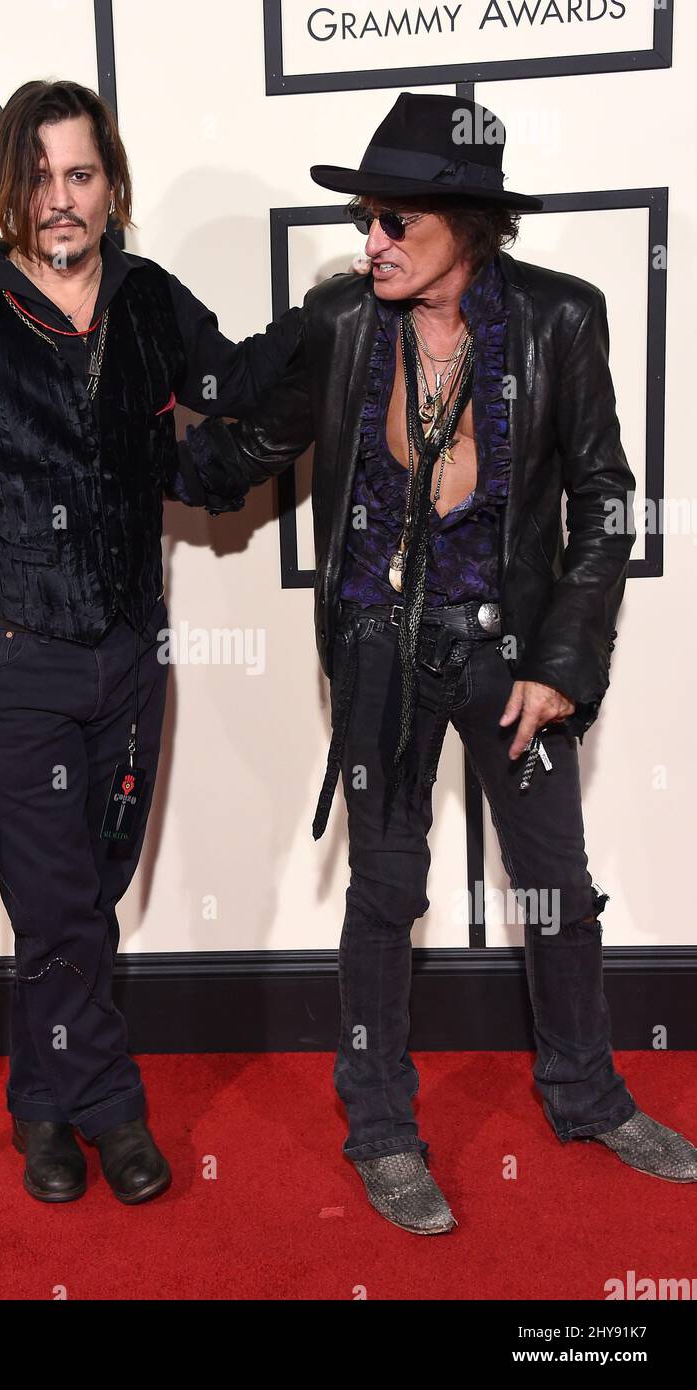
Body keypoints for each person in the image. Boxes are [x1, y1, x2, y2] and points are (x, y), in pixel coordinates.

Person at [179, 92, 697, 1234]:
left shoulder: (563, 321)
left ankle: (585, 1090)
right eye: (366, 219)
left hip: (507, 651)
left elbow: (604, 500)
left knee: (554, 886)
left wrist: (559, 663)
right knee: (385, 891)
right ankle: (379, 1126)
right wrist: (115, 437)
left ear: (466, 223)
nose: (370, 241)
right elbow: (240, 454)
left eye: (394, 223)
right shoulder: (340, 324)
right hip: (378, 646)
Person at [0, 78, 301, 1206]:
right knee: (53, 899)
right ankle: (111, 1105)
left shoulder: (148, 301)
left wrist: (332, 323)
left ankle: (40, 1107)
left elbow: (229, 383)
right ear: (9, 186)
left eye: (81, 174)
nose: (61, 199)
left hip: (127, 656)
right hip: (8, 659)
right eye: (40, 175)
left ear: (111, 187)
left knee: (86, 890)